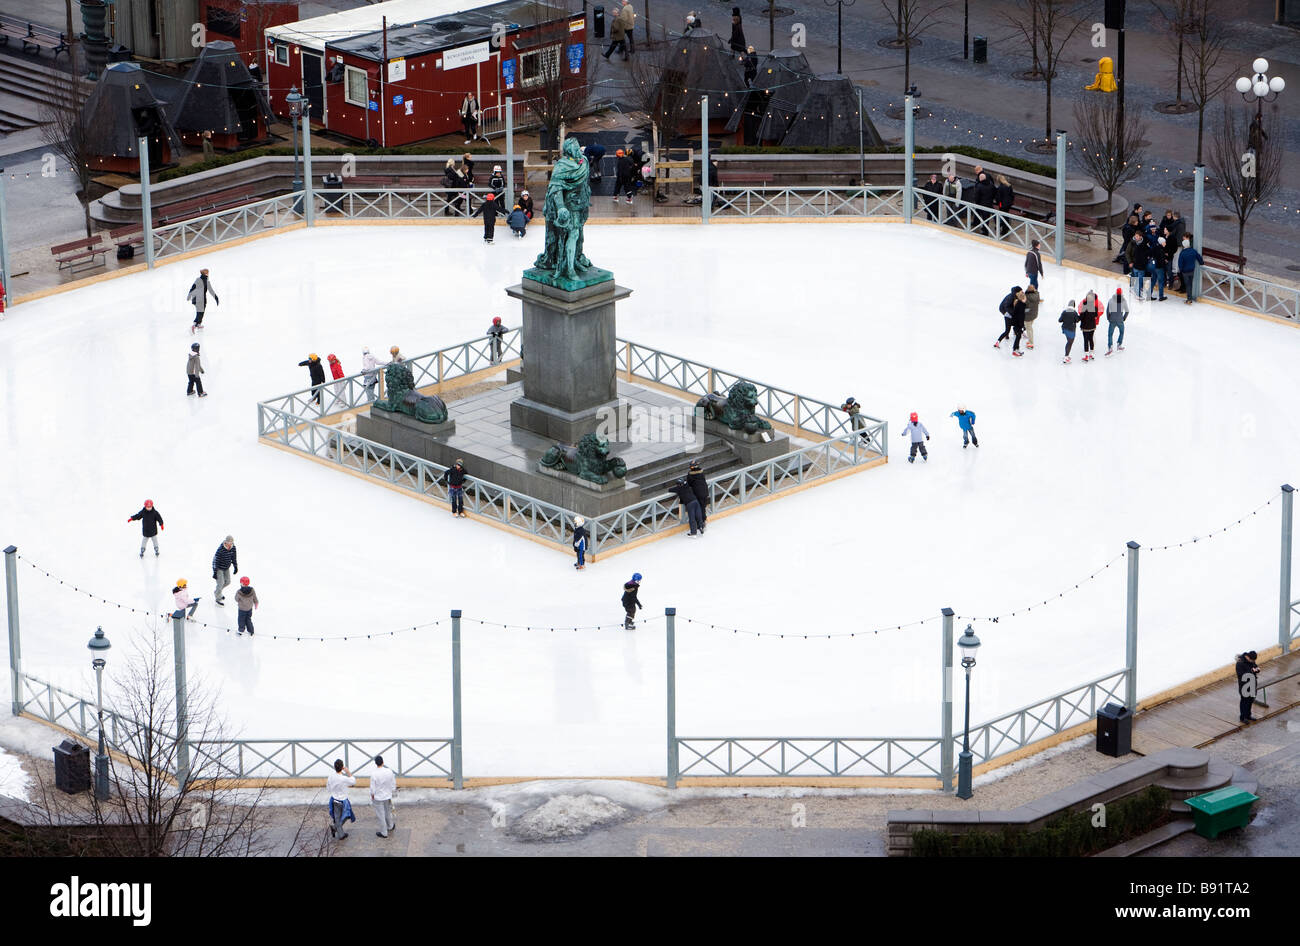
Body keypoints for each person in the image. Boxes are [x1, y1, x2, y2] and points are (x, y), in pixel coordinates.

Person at [327, 759, 356, 840]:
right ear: (342, 767)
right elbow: (353, 782)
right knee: (346, 816)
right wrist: (348, 772)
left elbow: (328, 788)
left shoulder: (331, 776)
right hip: (343, 801)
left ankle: (335, 828)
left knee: (338, 818)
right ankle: (340, 834)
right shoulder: (343, 778)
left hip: (334, 799)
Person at [370, 754, 397, 838]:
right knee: (387, 811)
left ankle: (384, 832)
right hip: (387, 795)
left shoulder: (374, 774)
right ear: (383, 762)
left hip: (378, 797)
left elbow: (372, 788)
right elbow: (393, 784)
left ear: (376, 763)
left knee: (381, 815)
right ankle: (390, 825)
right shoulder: (389, 771)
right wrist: (392, 791)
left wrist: (372, 795)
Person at [187, 268, 219, 334]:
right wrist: (216, 298)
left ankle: (198, 324)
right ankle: (194, 325)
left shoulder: (198, 279)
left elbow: (192, 288)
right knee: (200, 312)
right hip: (200, 300)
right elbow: (211, 291)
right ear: (206, 273)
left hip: (196, 298)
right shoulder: (206, 281)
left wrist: (189, 296)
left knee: (200, 312)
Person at [212, 535, 238, 606]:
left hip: (226, 567)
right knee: (220, 583)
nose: (230, 543)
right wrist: (215, 572)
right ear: (226, 542)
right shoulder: (221, 549)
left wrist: (235, 566)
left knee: (228, 582)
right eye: (229, 542)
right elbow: (215, 561)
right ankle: (218, 598)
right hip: (219, 568)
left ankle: (217, 591)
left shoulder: (233, 548)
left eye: (231, 542)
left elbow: (234, 558)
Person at [1177, 237, 1204, 304]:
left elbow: (1180, 263)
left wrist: (1181, 270)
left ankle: (1189, 299)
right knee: (1190, 284)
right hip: (1192, 270)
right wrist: (1201, 263)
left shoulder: (1182, 253)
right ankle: (1190, 297)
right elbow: (1199, 257)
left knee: (1188, 285)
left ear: (1183, 245)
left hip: (1185, 271)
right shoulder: (1193, 251)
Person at [1236, 651, 1259, 723]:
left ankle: (1248, 715)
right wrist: (1251, 671)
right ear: (1248, 657)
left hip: (1252, 683)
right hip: (1244, 685)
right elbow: (1241, 674)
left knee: (1250, 700)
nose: (1253, 662)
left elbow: (1255, 666)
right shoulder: (1240, 663)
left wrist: (1257, 669)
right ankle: (1243, 717)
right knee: (1244, 701)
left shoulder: (1251, 661)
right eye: (1252, 660)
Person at [1105, 287, 1129, 355]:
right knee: (1121, 332)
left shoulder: (1111, 300)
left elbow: (1107, 311)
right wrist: (1124, 318)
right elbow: (1127, 311)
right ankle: (1119, 344)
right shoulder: (1124, 301)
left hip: (1112, 320)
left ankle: (1110, 347)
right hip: (1120, 320)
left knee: (1110, 334)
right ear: (1121, 293)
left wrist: (1108, 318)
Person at [686, 461, 710, 530]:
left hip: (697, 493)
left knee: (699, 508)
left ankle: (700, 524)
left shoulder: (690, 474)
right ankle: (704, 521)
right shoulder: (701, 471)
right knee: (703, 507)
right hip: (705, 491)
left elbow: (689, 483)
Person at [1127, 232, 1151, 298]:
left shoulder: (1144, 244)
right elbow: (1127, 253)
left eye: (1137, 236)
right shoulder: (1132, 243)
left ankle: (1136, 290)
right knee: (1136, 278)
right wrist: (1130, 262)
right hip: (1135, 264)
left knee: (1138, 279)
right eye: (1135, 236)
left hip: (1138, 265)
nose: (1135, 237)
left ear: (1140, 237)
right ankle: (1135, 291)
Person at [1079, 290, 1101, 362]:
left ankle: (1086, 355)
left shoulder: (1084, 307)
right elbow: (1096, 315)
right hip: (1092, 326)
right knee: (1091, 339)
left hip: (1085, 327)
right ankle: (1092, 354)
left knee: (1086, 340)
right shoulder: (1095, 308)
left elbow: (1081, 317)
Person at [1059, 299, 1080, 364]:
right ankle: (1066, 357)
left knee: (1069, 342)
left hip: (1065, 329)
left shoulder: (1064, 311)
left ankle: (1066, 355)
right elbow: (1077, 320)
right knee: (1070, 343)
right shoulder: (1074, 312)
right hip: (1071, 330)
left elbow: (1060, 320)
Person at [1022, 285, 1041, 350]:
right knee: (1030, 327)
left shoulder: (1026, 297)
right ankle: (1030, 341)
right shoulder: (1037, 294)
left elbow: (1026, 306)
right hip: (1034, 314)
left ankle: (1031, 343)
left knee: (1029, 329)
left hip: (1027, 316)